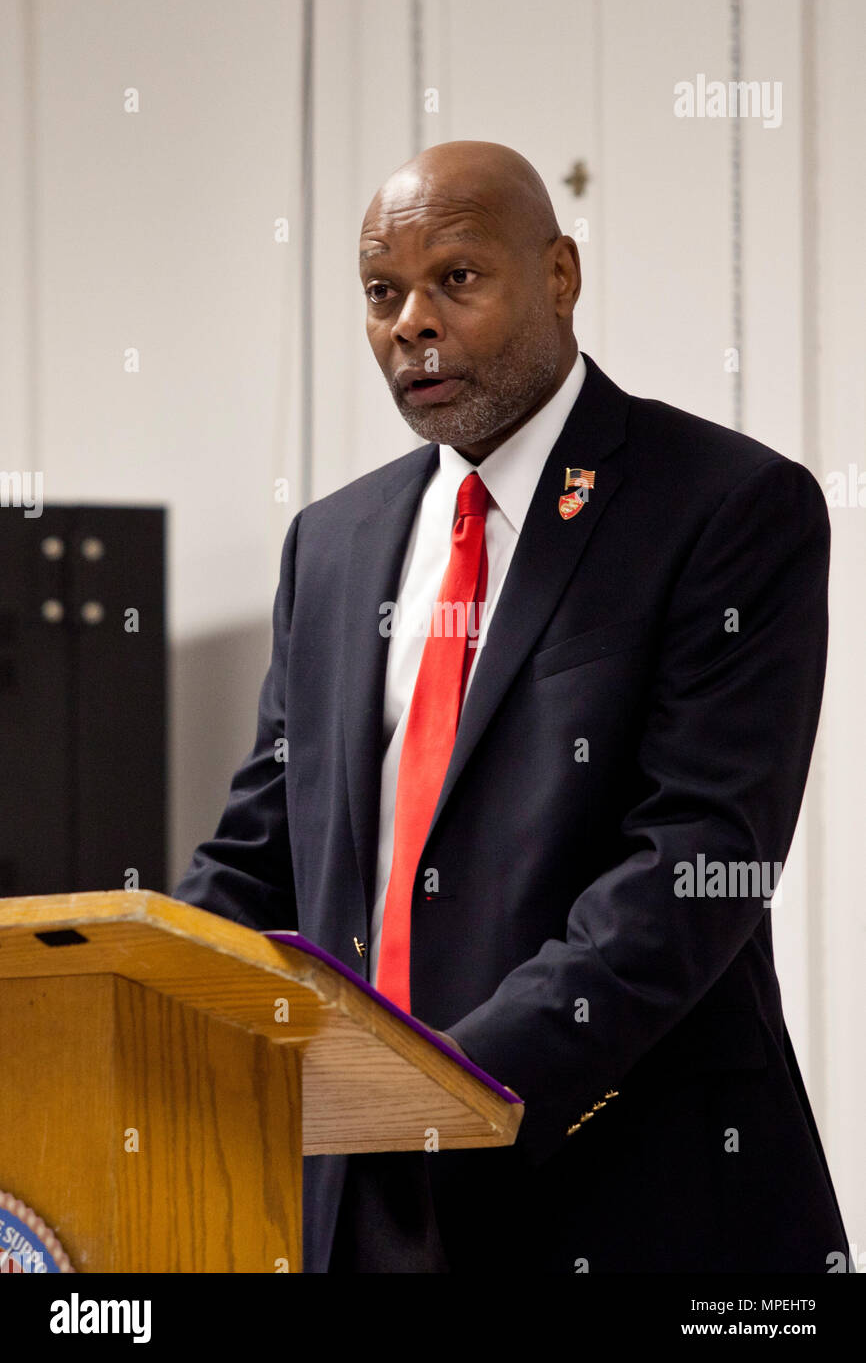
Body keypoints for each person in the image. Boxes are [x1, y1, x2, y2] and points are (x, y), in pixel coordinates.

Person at [174, 140, 849, 1273]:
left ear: (558, 275)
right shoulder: (332, 546)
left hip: (617, 1177)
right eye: (381, 294)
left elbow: (693, 860)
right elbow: (259, 850)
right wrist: (133, 1002)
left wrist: (450, 1088)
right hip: (355, 1195)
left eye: (457, 278)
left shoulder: (727, 508)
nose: (411, 324)